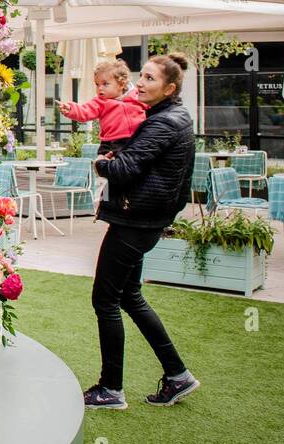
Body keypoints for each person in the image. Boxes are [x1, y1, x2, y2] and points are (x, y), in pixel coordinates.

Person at [84, 53, 199, 409]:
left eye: (150, 78)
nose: (140, 83)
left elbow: (124, 169)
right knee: (130, 297)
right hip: (145, 221)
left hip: (135, 223)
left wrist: (102, 162)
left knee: (105, 300)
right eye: (142, 76)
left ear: (170, 87)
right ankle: (178, 375)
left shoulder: (163, 123)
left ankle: (111, 389)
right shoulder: (167, 116)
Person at [57, 58, 147, 154]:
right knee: (111, 164)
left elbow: (152, 108)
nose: (100, 88)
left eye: (105, 84)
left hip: (137, 139)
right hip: (112, 142)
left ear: (121, 84)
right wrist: (71, 109)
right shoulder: (100, 102)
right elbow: (85, 111)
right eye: (97, 84)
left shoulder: (137, 96)